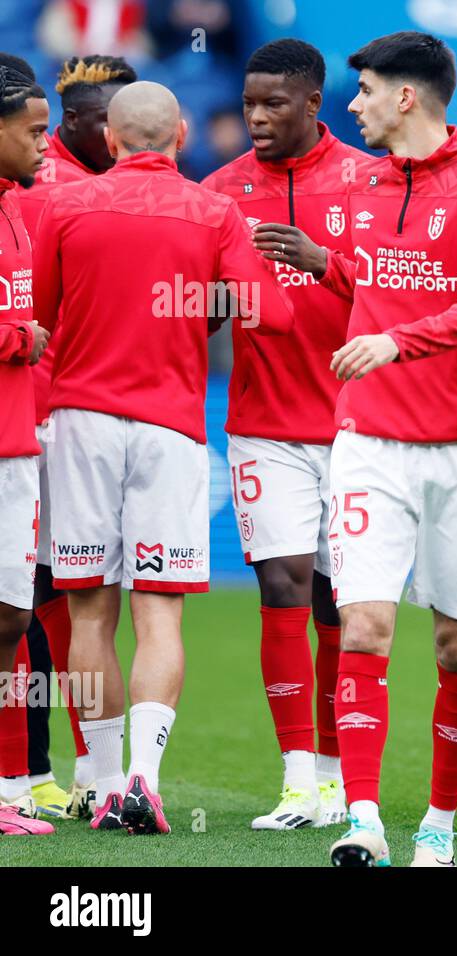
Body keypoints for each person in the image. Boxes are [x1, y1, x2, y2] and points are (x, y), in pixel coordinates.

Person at [268, 31, 457, 868]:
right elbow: (382, 272)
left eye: (366, 90)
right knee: (365, 624)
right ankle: (364, 819)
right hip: (369, 443)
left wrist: (393, 342)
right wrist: (331, 266)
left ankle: (440, 826)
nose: (353, 105)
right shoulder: (355, 182)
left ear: (406, 98)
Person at [33, 80, 294, 836]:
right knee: (158, 611)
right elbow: (270, 316)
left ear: (110, 141)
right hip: (170, 429)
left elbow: (44, 313)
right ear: (181, 135)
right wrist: (201, 296)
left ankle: (103, 781)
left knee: (88, 608)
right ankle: (144, 781)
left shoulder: (62, 206)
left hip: (79, 421)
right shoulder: (215, 211)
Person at [202, 37, 372, 832]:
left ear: (314, 103)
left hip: (357, 425)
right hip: (263, 426)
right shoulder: (220, 192)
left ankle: (340, 777)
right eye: (248, 106)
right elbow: (192, 301)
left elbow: (400, 291)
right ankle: (299, 782)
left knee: (340, 602)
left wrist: (327, 258)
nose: (257, 119)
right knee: (283, 587)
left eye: (274, 105)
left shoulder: (368, 182)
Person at [16, 52, 137, 823]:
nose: (125, 137)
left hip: (85, 413)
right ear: (71, 124)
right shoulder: (40, 184)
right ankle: (28, 771)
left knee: (64, 594)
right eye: (110, 124)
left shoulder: (118, 180)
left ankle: (67, 767)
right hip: (40, 413)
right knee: (28, 597)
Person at [0, 59, 55, 837]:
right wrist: (19, 336)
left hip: (17, 446)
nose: (45, 146)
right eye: (34, 131)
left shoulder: (19, 207)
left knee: (11, 617)